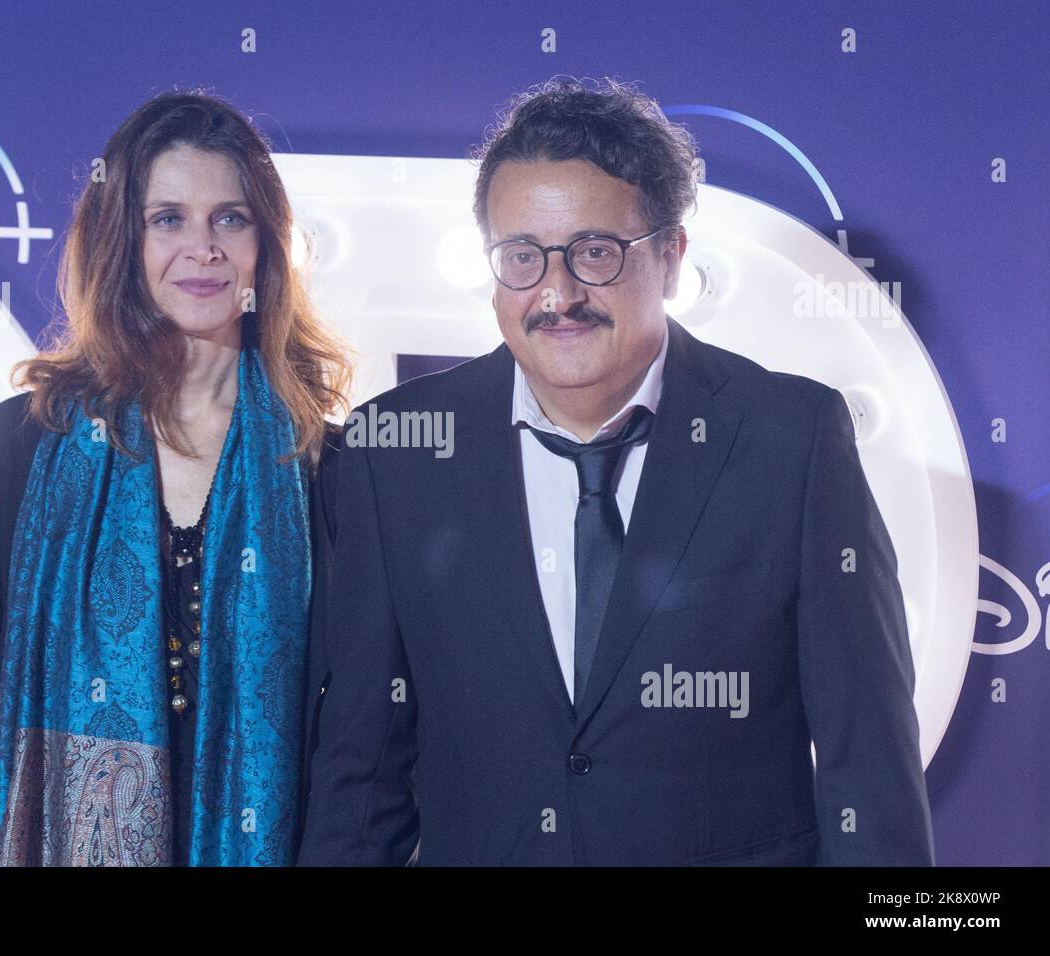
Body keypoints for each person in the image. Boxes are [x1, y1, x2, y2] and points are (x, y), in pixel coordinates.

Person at [298, 77, 935, 866]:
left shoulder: (792, 439)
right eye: (522, 257)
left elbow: (866, 765)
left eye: (595, 253)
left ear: (670, 257)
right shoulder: (390, 453)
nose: (556, 294)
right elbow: (362, 776)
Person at [0, 89, 350, 866]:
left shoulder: (328, 473)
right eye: (167, 219)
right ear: (119, 242)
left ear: (267, 246)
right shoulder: (9, 453)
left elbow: (357, 754)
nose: (203, 249)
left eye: (229, 219)